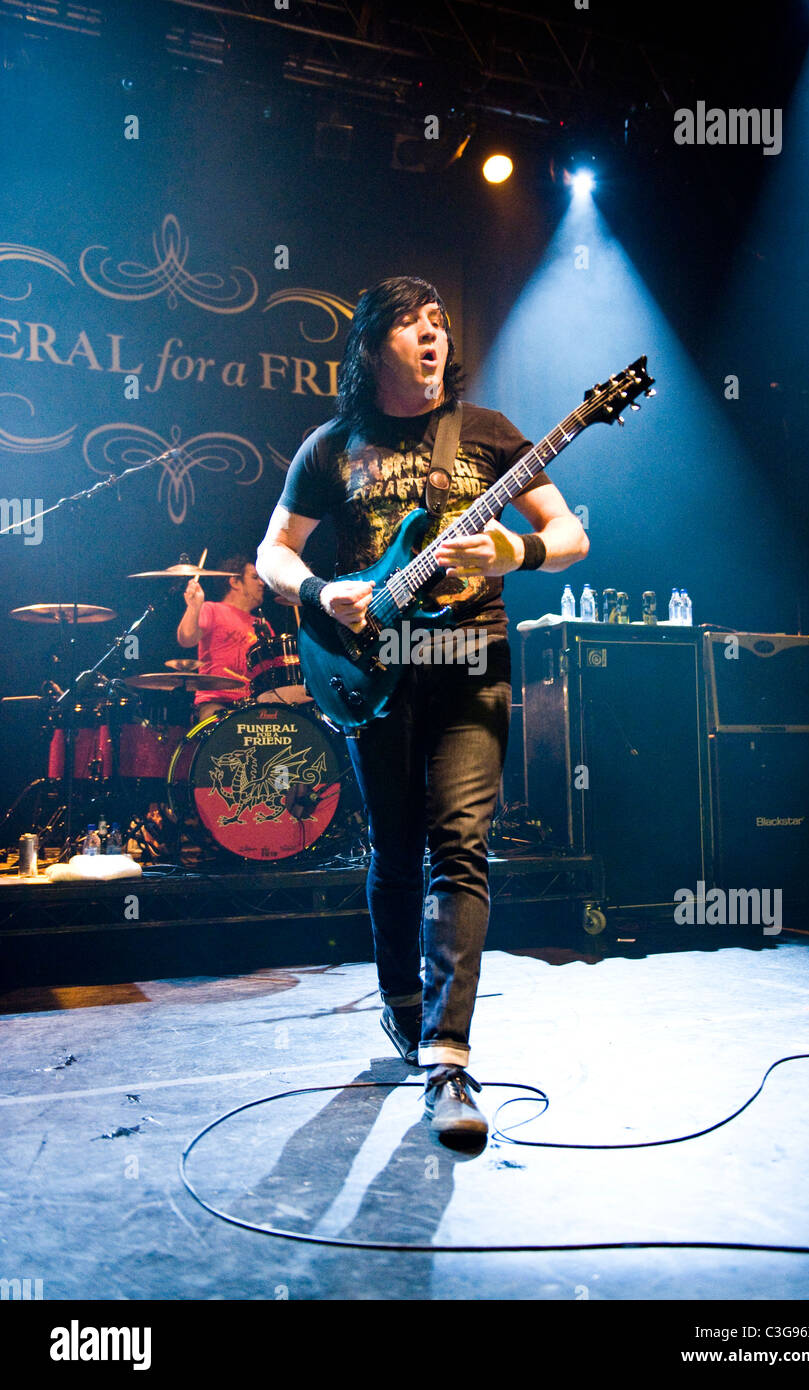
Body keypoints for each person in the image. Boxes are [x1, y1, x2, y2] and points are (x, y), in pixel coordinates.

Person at [256, 276, 588, 1147]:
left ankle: (449, 1059)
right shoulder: (331, 446)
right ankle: (403, 1002)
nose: (432, 334)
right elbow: (273, 554)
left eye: (440, 320)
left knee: (460, 847)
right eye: (411, 323)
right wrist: (325, 594)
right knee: (396, 856)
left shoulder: (487, 436)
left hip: (472, 663)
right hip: (375, 668)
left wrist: (515, 548)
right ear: (372, 349)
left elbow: (571, 536)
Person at [176, 555, 271, 721]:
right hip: (216, 703)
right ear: (234, 582)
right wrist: (194, 607)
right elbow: (187, 639)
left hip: (255, 704)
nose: (262, 583)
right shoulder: (212, 609)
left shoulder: (263, 625)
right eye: (255, 578)